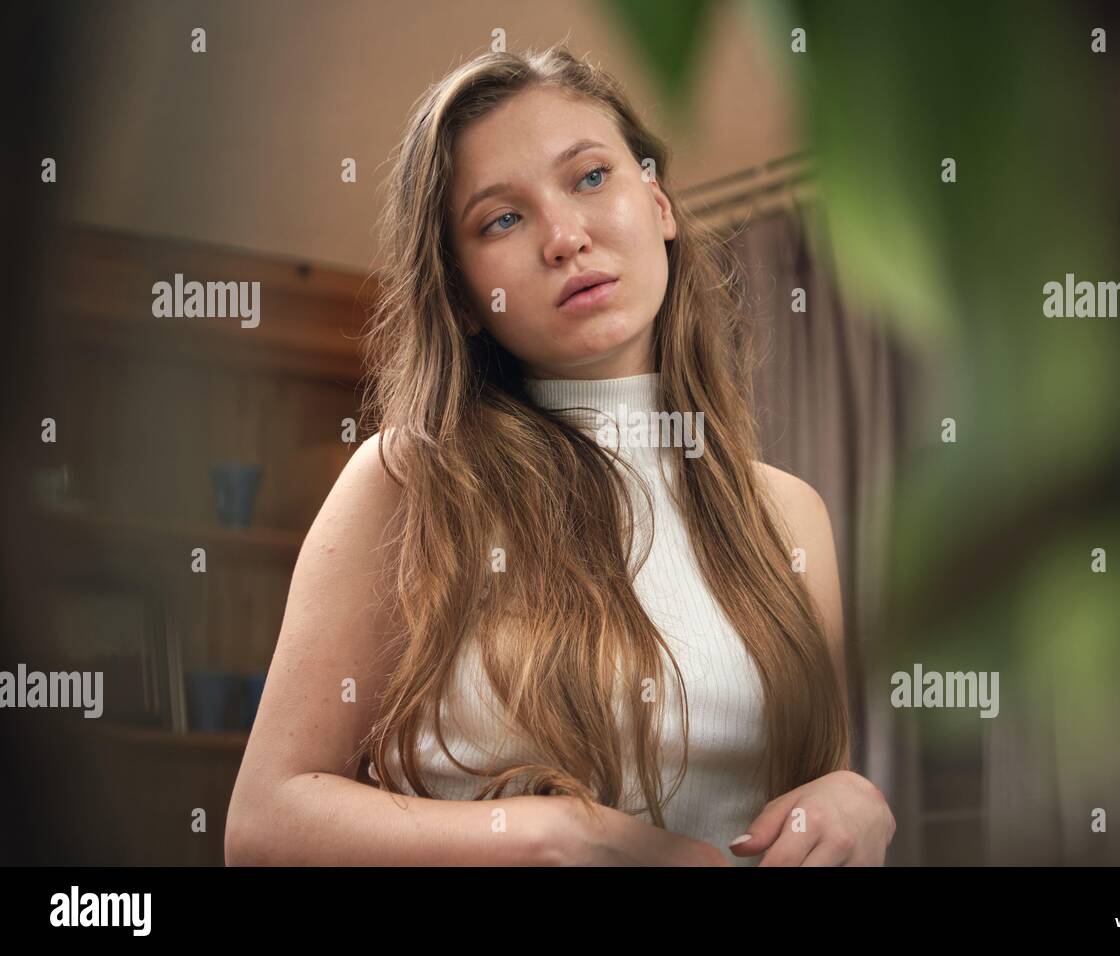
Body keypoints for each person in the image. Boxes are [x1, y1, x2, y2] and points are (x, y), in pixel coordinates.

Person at [225, 43, 895, 866]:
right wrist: (549, 832)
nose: (565, 238)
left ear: (658, 205)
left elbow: (808, 798)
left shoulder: (788, 514)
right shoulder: (410, 481)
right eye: (501, 218)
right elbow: (264, 826)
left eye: (589, 178)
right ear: (464, 296)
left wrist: (850, 799)